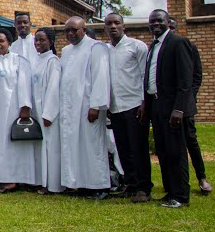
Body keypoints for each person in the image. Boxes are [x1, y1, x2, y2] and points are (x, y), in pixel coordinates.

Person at [144, 9, 196, 208]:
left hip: (172, 107)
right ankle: (171, 191)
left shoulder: (177, 42)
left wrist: (180, 109)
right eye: (152, 21)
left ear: (167, 22)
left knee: (176, 152)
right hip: (156, 105)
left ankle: (181, 196)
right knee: (164, 151)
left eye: (159, 20)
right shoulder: (154, 46)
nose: (155, 24)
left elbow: (185, 80)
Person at [56, 16, 112, 199]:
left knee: (92, 146)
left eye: (75, 30)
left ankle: (98, 185)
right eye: (67, 31)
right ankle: (79, 183)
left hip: (89, 107)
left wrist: (96, 106)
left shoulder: (96, 48)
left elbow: (100, 78)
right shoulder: (66, 51)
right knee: (74, 146)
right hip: (70, 108)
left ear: (84, 30)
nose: (71, 34)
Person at [104, 13, 152, 203]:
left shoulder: (136, 46)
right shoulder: (105, 50)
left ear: (124, 26)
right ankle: (130, 184)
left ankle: (144, 187)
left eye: (117, 23)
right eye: (109, 23)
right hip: (115, 106)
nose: (113, 26)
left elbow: (144, 75)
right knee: (123, 148)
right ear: (105, 28)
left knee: (138, 147)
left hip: (134, 105)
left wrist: (144, 102)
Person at [0, 28, 35, 193]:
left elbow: (24, 85)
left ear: (9, 43)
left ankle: (13, 180)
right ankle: (1, 178)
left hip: (13, 110)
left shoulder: (19, 61)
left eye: (1, 41)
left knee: (11, 145)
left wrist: (24, 107)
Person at [169, 17, 211, 194]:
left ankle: (201, 177)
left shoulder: (186, 46)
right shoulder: (157, 48)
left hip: (184, 106)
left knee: (190, 140)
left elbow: (195, 77)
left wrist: (187, 100)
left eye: (171, 27)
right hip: (166, 105)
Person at [30, 28, 63, 195]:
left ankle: (53, 184)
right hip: (37, 109)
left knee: (51, 149)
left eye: (42, 40)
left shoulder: (53, 61)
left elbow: (54, 89)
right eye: (36, 40)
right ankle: (42, 181)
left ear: (50, 41)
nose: (38, 43)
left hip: (48, 113)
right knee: (41, 148)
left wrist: (49, 114)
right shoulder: (37, 60)